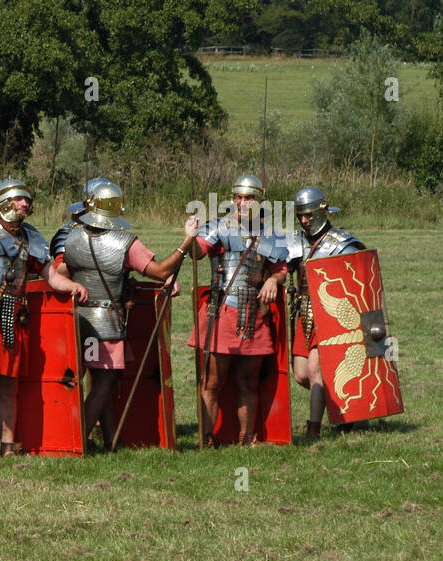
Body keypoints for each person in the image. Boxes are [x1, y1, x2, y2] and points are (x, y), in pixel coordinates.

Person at [57, 181, 198, 449]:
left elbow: (64, 273)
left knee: (100, 383)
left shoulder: (72, 238)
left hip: (80, 321)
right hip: (107, 325)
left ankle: (111, 441)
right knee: (104, 384)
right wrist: (186, 242)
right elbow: (160, 272)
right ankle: (78, 443)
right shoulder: (125, 242)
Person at [0, 179, 87, 454]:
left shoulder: (31, 236)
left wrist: (73, 286)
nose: (25, 204)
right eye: (20, 199)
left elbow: (51, 276)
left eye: (27, 200)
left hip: (14, 318)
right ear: (5, 203)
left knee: (9, 386)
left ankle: (7, 446)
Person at [186, 174, 289, 446]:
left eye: (250, 198)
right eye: (239, 198)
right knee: (212, 382)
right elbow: (197, 252)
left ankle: (246, 439)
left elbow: (281, 272)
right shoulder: (218, 227)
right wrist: (190, 238)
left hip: (254, 313)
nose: (243, 203)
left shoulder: (272, 233)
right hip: (222, 312)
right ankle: (207, 439)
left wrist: (271, 279)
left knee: (247, 382)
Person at [287, 186, 366, 437]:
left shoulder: (343, 244)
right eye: (300, 215)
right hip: (303, 313)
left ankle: (314, 430)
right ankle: (342, 407)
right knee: (301, 374)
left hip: (330, 315)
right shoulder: (295, 241)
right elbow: (279, 269)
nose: (304, 220)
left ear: (322, 211)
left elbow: (359, 281)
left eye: (308, 214)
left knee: (314, 370)